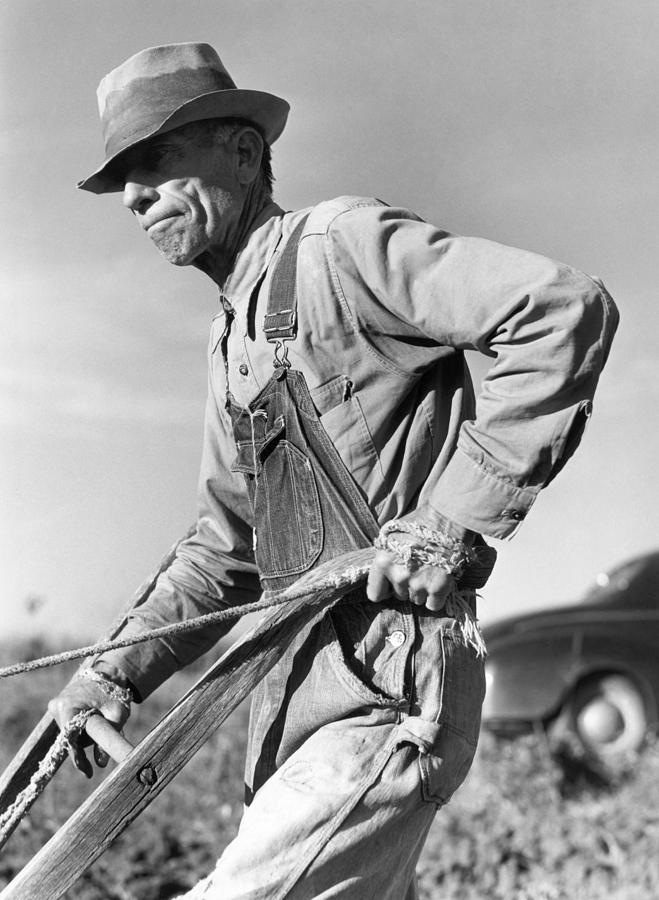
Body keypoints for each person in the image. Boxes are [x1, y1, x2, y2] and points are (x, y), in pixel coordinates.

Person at [49, 42, 619, 899]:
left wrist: (448, 521)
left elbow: (556, 313)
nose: (133, 196)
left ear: (242, 153)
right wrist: (111, 670)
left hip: (386, 684)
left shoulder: (338, 247)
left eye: (155, 162)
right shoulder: (231, 339)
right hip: (293, 702)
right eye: (123, 178)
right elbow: (225, 549)